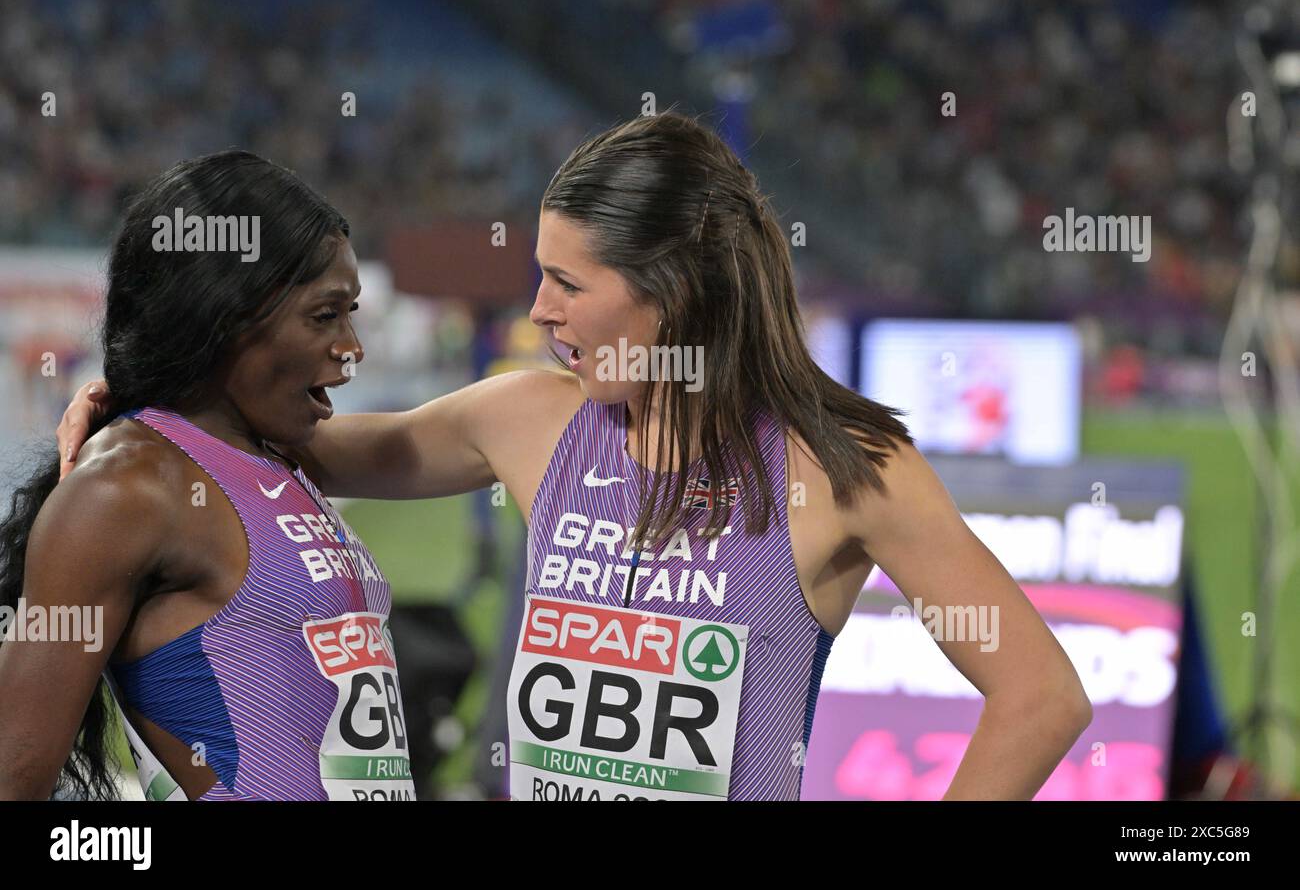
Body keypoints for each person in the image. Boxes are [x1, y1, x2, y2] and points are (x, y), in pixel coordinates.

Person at [57, 113, 1092, 800]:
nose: (540, 309)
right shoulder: (529, 418)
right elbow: (293, 440)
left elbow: (1040, 693)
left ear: (675, 287)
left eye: (567, 281)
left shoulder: (846, 465)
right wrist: (142, 409)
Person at [2, 150, 415, 801]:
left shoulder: (278, 457)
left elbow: (466, 438)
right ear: (224, 314)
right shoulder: (127, 487)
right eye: (325, 315)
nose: (351, 348)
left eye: (351, 313)